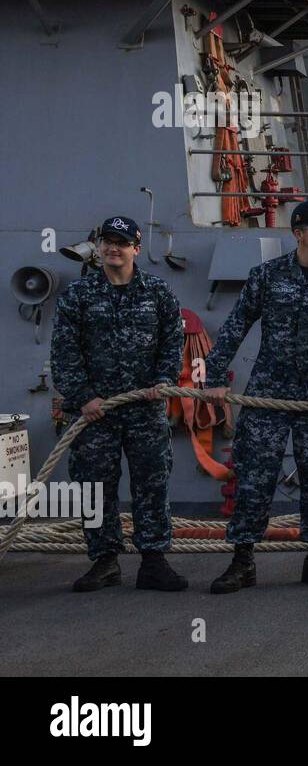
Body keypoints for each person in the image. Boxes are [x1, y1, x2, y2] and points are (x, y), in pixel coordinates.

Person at [202, 200, 308, 593]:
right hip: (269, 395)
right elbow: (237, 323)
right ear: (297, 232)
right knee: (255, 477)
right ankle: (242, 561)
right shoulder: (267, 276)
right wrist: (216, 377)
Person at [50, 215, 186, 592]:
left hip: (144, 409)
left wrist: (164, 381)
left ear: (135, 249)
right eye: (107, 241)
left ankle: (154, 562)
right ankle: (104, 561)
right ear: (99, 248)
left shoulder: (158, 293)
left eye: (121, 242)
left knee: (151, 484)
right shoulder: (78, 296)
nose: (113, 248)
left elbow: (173, 342)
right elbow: (64, 353)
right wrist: (83, 398)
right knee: (94, 488)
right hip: (95, 413)